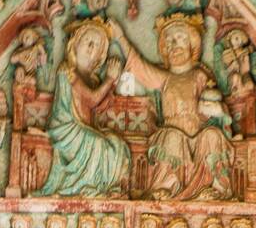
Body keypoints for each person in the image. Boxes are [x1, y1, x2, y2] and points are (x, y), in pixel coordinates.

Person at [114, 12, 234, 201]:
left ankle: (215, 188)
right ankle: (166, 187)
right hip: (174, 132)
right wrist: (120, 37)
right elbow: (138, 66)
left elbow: (217, 106)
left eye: (179, 39)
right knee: (172, 137)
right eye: (168, 42)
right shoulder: (166, 78)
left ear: (192, 44)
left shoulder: (200, 76)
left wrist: (217, 111)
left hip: (198, 135)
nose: (173, 45)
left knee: (212, 136)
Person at [39, 20, 130, 197]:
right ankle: (86, 187)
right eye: (87, 40)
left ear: (100, 56)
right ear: (74, 44)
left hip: (83, 131)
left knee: (116, 143)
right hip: (66, 129)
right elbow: (92, 99)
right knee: (98, 144)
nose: (90, 47)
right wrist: (109, 80)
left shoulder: (93, 80)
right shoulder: (67, 71)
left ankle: (106, 186)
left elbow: (100, 106)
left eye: (96, 45)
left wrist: (113, 83)